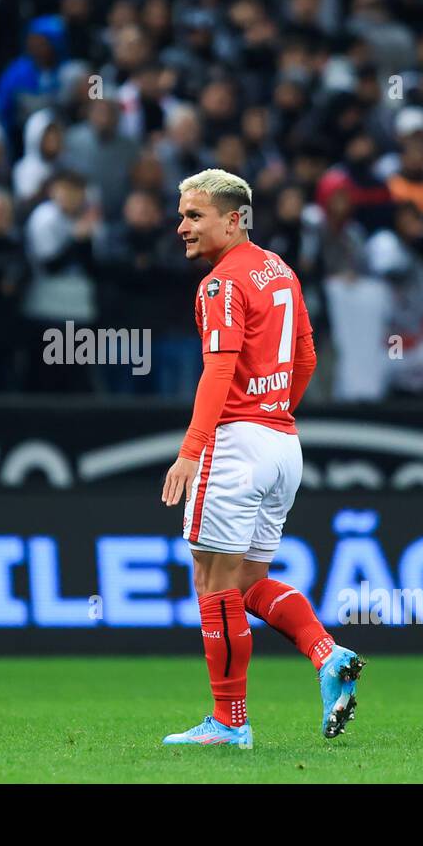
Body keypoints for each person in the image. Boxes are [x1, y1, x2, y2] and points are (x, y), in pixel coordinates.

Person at [159, 168, 363, 747]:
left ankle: (229, 722)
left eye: (195, 216)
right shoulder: (280, 271)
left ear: (234, 219)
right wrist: (274, 409)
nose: (182, 227)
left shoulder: (221, 284)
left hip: (236, 445)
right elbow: (307, 358)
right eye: (182, 215)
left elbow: (219, 370)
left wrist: (192, 450)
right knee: (250, 581)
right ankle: (327, 654)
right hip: (282, 444)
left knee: (212, 581)